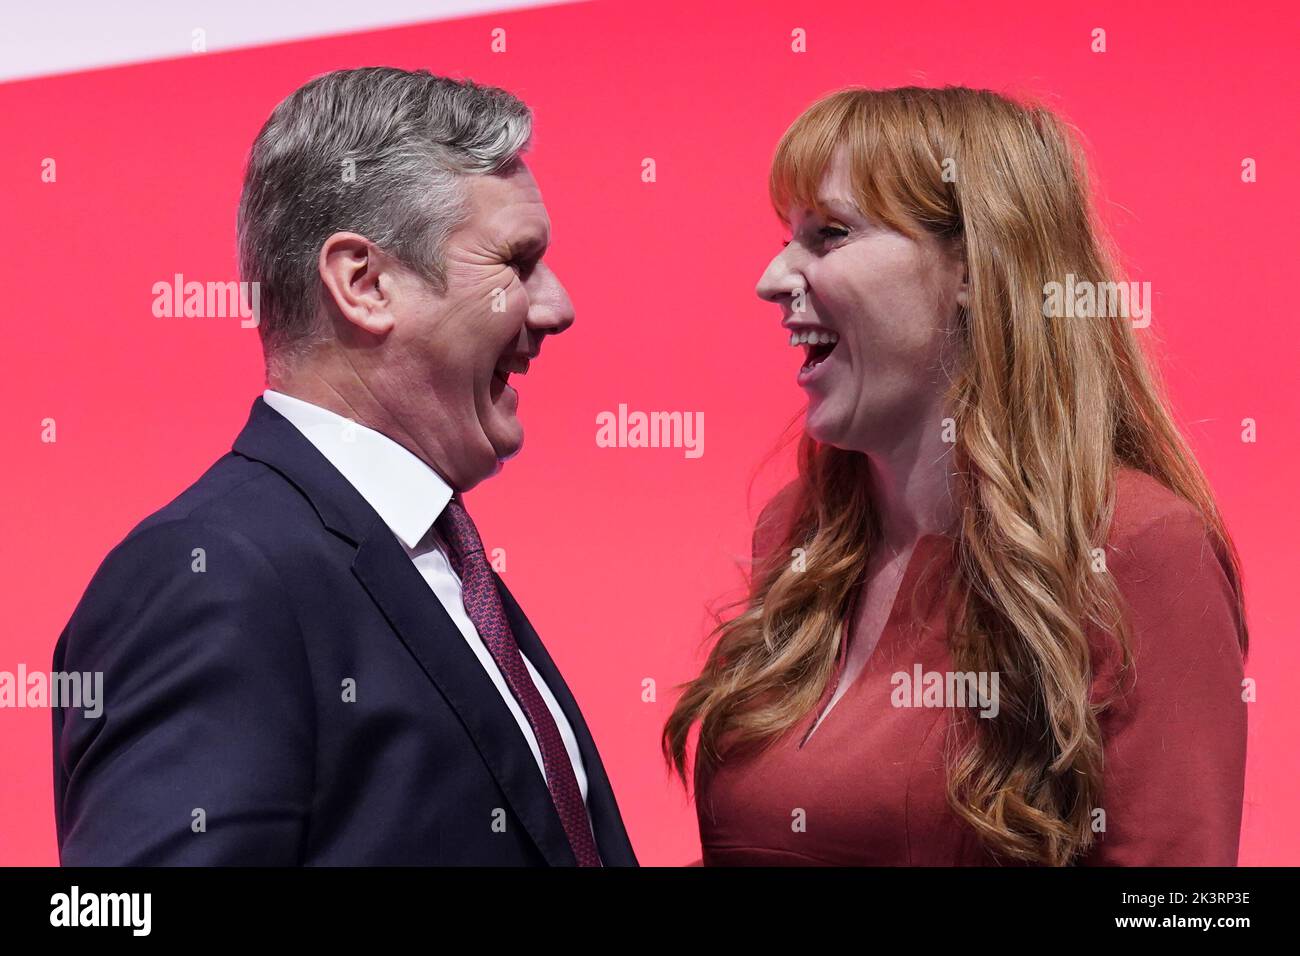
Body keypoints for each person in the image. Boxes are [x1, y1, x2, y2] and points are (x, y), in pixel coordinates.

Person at [52, 67, 636, 866]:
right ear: (365, 284)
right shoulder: (210, 576)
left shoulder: (434, 558)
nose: (557, 307)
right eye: (516, 262)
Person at [664, 86, 1248, 866]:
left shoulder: (1136, 547)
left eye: (830, 234)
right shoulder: (802, 529)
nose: (773, 278)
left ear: (975, 266)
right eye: (786, 237)